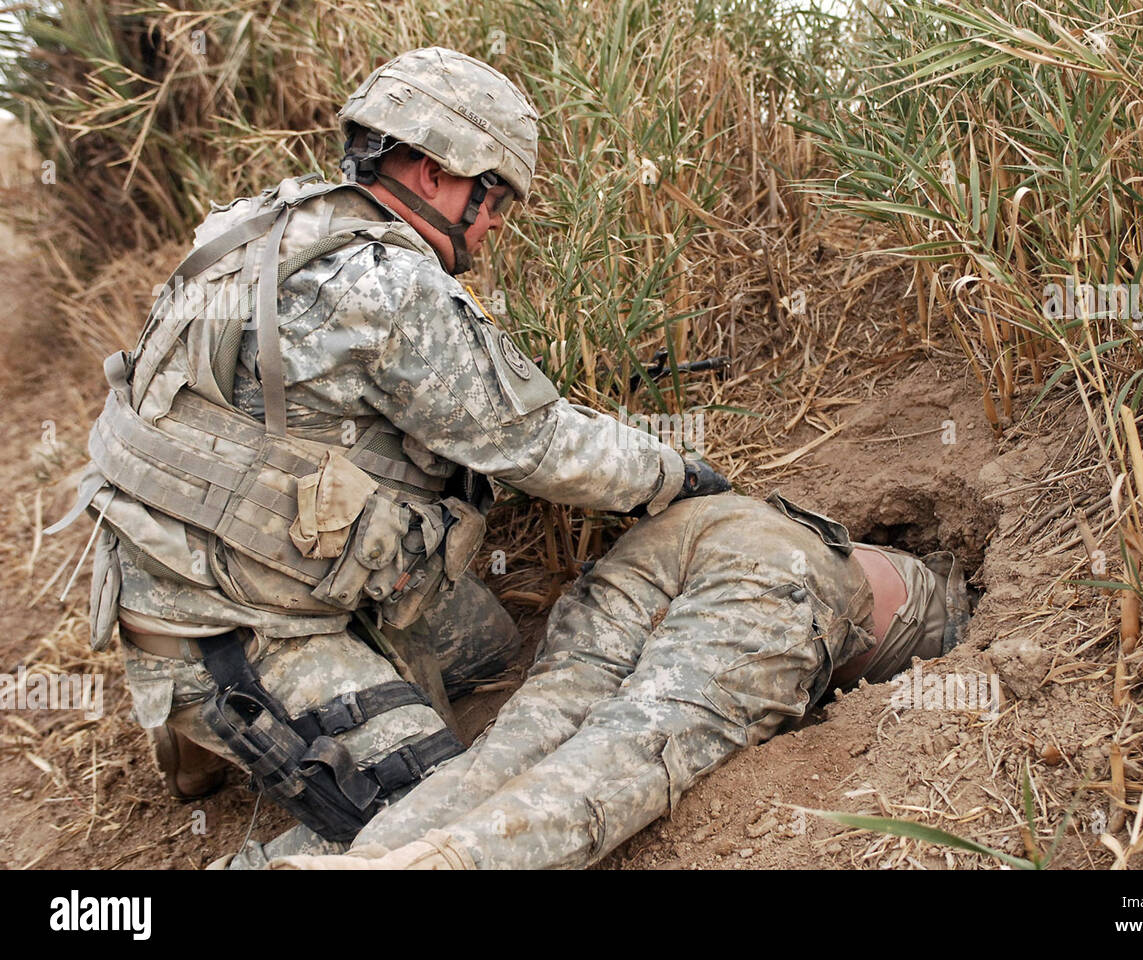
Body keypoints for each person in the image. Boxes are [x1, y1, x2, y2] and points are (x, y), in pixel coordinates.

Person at [46, 47, 730, 852]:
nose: (499, 220)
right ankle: (199, 710)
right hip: (233, 626)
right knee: (439, 820)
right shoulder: (386, 284)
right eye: (497, 193)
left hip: (187, 557)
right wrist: (675, 474)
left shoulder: (260, 223)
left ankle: (199, 716)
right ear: (438, 169)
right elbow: (538, 444)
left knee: (487, 653)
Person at [268, 491, 969, 870]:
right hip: (777, 571)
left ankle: (368, 858)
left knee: (523, 734)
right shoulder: (943, 613)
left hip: (680, 533)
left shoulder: (869, 554)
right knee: (641, 739)